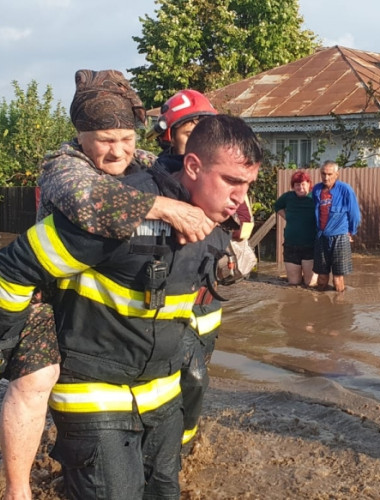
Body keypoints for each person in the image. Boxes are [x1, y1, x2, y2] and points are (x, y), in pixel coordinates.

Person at [0, 70, 262, 499]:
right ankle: (17, 488)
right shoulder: (70, 173)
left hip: (155, 385)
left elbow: (172, 176)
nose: (118, 150)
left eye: (126, 138)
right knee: (32, 382)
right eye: (106, 139)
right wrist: (162, 211)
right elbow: (28, 258)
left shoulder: (163, 176)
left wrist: (225, 258)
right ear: (82, 135)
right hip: (61, 327)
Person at [150, 89, 255, 450]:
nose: (195, 133)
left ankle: (184, 438)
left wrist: (236, 250)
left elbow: (242, 224)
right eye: (187, 128)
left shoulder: (226, 179)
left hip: (205, 299)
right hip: (167, 297)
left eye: (202, 125)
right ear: (170, 135)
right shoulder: (153, 179)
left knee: (197, 375)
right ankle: (169, 444)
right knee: (185, 376)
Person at [312, 161, 361, 293]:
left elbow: (355, 214)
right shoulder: (316, 189)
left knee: (338, 278)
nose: (326, 177)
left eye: (329, 174)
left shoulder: (345, 190)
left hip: (339, 237)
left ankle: (339, 307)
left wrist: (351, 232)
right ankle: (320, 306)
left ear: (336, 174)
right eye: (323, 174)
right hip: (321, 237)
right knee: (321, 277)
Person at [274, 170, 317, 286]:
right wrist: (288, 217)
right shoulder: (288, 197)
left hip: (311, 245)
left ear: (309, 184)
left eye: (303, 184)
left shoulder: (315, 197)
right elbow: (277, 206)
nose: (300, 187)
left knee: (310, 283)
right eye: (297, 184)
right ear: (293, 186)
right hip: (291, 245)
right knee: (294, 283)